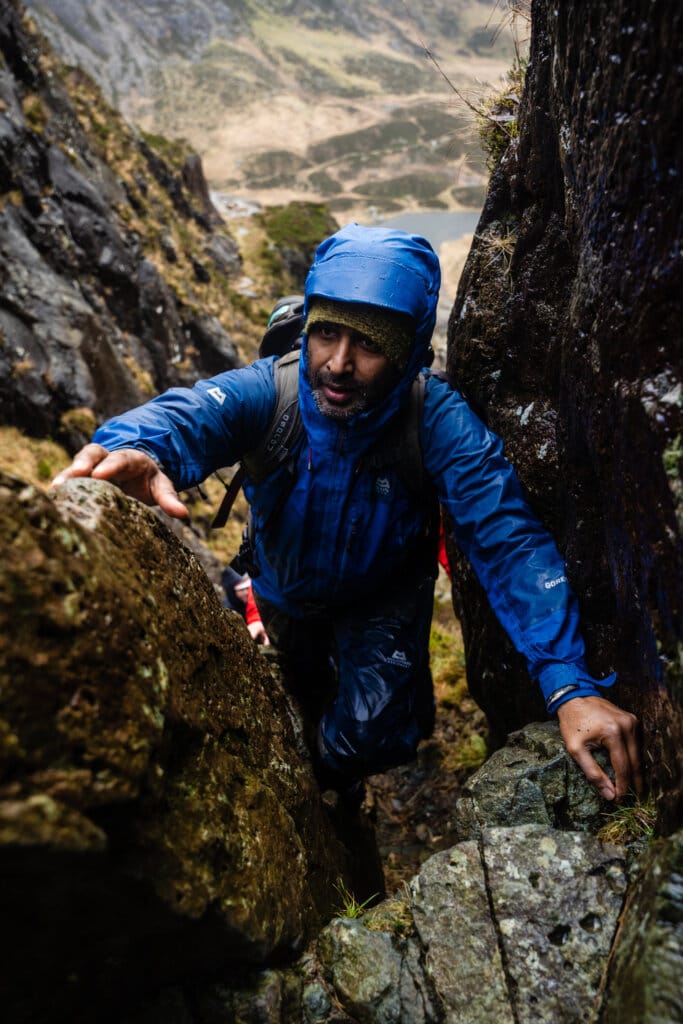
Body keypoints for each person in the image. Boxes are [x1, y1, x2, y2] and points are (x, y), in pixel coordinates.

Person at [52, 223, 641, 807]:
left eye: (369, 344)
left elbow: (507, 539)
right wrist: (139, 445)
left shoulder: (436, 423)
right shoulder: (273, 393)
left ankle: (335, 787)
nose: (337, 363)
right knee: (298, 692)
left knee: (375, 734)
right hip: (283, 590)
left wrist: (569, 685)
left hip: (383, 603)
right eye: (326, 332)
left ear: (408, 353)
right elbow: (191, 415)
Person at [221, 566, 270, 646]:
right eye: (241, 589)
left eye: (247, 587)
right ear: (232, 591)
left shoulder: (258, 602)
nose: (246, 592)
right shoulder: (226, 609)